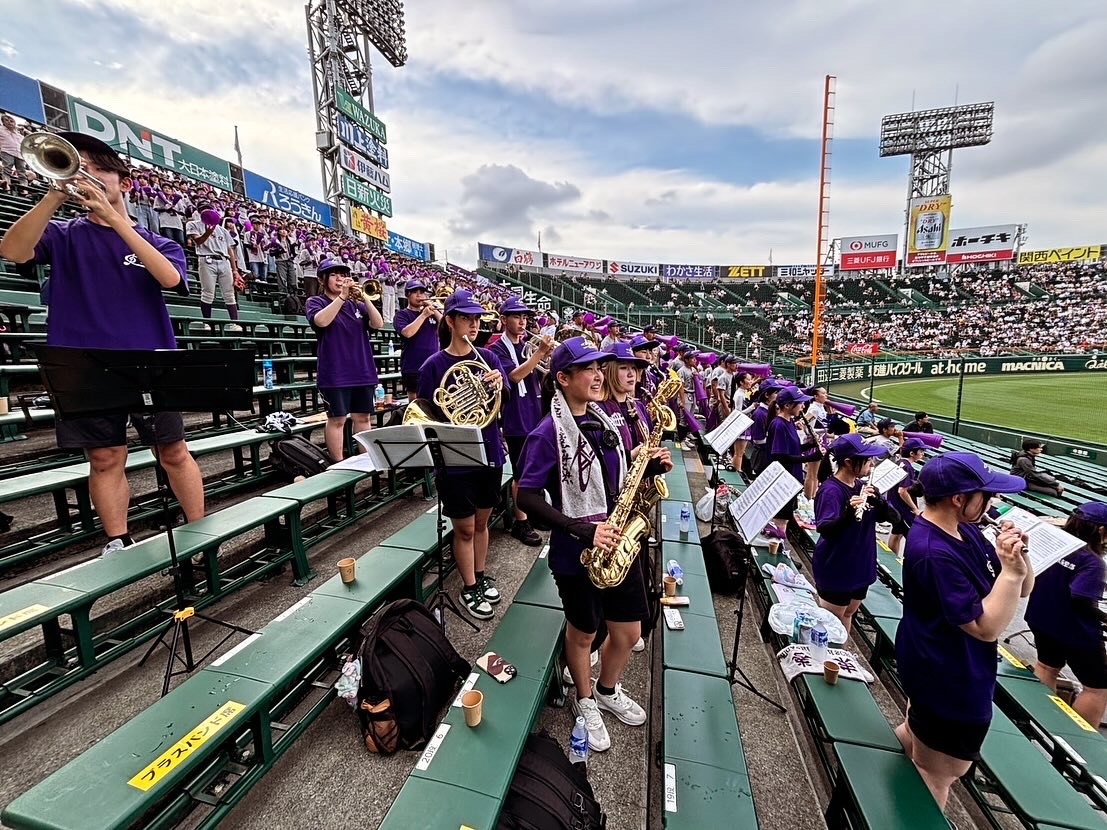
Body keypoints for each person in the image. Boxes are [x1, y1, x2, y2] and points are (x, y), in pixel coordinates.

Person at [0, 131, 204, 556]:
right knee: (105, 457)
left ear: (123, 181)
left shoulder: (159, 241)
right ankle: (118, 542)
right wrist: (54, 196)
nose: (85, 177)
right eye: (79, 168)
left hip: (150, 358)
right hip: (84, 362)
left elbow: (170, 278)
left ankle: (200, 532)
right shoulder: (64, 233)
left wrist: (115, 222)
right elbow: (13, 251)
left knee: (173, 450)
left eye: (95, 169)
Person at [517, 337, 670, 752]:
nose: (598, 374)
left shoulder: (604, 422)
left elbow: (614, 483)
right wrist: (580, 529)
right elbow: (525, 497)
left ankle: (607, 688)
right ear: (563, 379)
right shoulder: (546, 434)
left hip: (618, 542)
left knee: (628, 629)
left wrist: (650, 466)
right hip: (577, 551)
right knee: (583, 633)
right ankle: (584, 699)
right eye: (588, 369)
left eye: (599, 367)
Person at [894, 452, 1033, 812]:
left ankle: (891, 777)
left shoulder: (965, 530)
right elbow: (985, 627)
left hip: (939, 665)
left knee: (917, 735)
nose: (992, 501)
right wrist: (1012, 574)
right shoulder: (933, 551)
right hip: (948, 677)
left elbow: (1022, 588)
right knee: (938, 775)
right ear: (958, 499)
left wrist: (1019, 560)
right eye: (984, 494)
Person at [416, 290, 508, 620]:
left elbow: (503, 405)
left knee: (482, 522)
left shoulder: (489, 359)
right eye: (466, 318)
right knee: (465, 528)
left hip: (489, 451)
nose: (472, 324)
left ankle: (479, 576)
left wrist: (499, 387)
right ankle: (469, 585)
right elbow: (425, 411)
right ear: (451, 321)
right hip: (454, 458)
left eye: (476, 319)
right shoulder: (433, 365)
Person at [1024, 501, 1107, 728]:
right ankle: (1079, 741)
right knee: (1097, 688)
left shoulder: (1056, 543)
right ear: (1100, 530)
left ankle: (1043, 724)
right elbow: (1080, 598)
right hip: (1076, 632)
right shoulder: (1092, 561)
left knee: (1047, 668)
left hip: (1042, 618)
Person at [305, 259, 384, 461]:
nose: (340, 279)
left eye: (343, 274)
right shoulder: (315, 302)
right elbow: (321, 321)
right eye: (334, 275)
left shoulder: (356, 304)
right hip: (335, 372)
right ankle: (338, 465)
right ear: (322, 280)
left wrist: (365, 298)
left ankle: (366, 462)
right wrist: (342, 297)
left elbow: (378, 324)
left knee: (363, 418)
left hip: (362, 370)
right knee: (337, 419)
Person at [811, 434, 890, 635]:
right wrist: (847, 514)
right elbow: (826, 530)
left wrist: (879, 503)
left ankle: (841, 656)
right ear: (848, 462)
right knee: (830, 623)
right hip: (837, 567)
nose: (871, 464)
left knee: (848, 614)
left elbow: (893, 519)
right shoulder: (831, 491)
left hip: (860, 566)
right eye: (867, 459)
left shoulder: (862, 487)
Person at [488, 295, 549, 547]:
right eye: (517, 317)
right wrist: (539, 354)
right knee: (520, 473)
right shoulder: (496, 350)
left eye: (525, 317)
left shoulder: (525, 346)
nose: (523, 322)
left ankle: (533, 512)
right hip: (515, 416)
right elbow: (512, 377)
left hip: (535, 411)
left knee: (535, 468)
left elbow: (540, 375)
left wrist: (548, 359)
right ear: (503, 320)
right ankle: (520, 522)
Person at [765, 386, 825, 533]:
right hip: (783, 481)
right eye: (799, 403)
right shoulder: (779, 424)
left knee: (786, 518)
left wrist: (809, 445)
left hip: (791, 479)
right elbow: (780, 456)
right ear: (787, 405)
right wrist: (810, 457)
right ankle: (779, 548)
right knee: (781, 520)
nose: (803, 406)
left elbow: (794, 448)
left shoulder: (790, 421)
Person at [186, 205, 243, 328]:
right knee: (208, 292)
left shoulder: (222, 230)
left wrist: (235, 270)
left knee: (229, 293)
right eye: (204, 209)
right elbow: (198, 241)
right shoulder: (193, 224)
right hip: (207, 259)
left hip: (224, 260)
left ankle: (235, 323)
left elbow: (230, 250)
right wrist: (207, 233)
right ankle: (207, 322)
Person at [394, 279, 442, 402]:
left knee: (436, 401)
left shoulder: (431, 313)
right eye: (415, 292)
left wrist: (434, 310)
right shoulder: (402, 315)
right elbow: (408, 333)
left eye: (422, 292)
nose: (419, 295)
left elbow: (446, 326)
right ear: (407, 295)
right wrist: (423, 315)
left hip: (433, 365)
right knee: (416, 404)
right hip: (413, 367)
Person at [887, 437, 928, 554]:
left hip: (894, 506)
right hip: (903, 509)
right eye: (920, 451)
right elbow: (902, 491)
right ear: (912, 453)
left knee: (896, 533)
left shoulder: (899, 462)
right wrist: (915, 509)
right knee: (912, 537)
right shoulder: (907, 467)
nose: (922, 453)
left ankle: (892, 557)